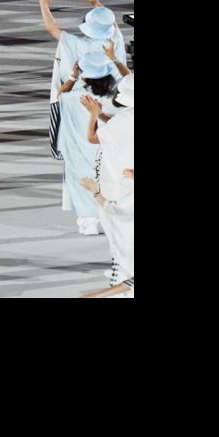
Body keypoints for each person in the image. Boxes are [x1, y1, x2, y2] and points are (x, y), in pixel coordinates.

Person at [79, 69, 133, 297]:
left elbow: (92, 137)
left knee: (121, 233)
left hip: (119, 185)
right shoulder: (124, 120)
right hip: (125, 183)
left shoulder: (124, 120)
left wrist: (93, 114)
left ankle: (120, 277)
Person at [53, 51, 115, 235]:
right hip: (110, 159)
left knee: (83, 180)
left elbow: (59, 95)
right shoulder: (117, 100)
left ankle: (90, 220)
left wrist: (73, 76)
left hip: (80, 158)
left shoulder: (75, 98)